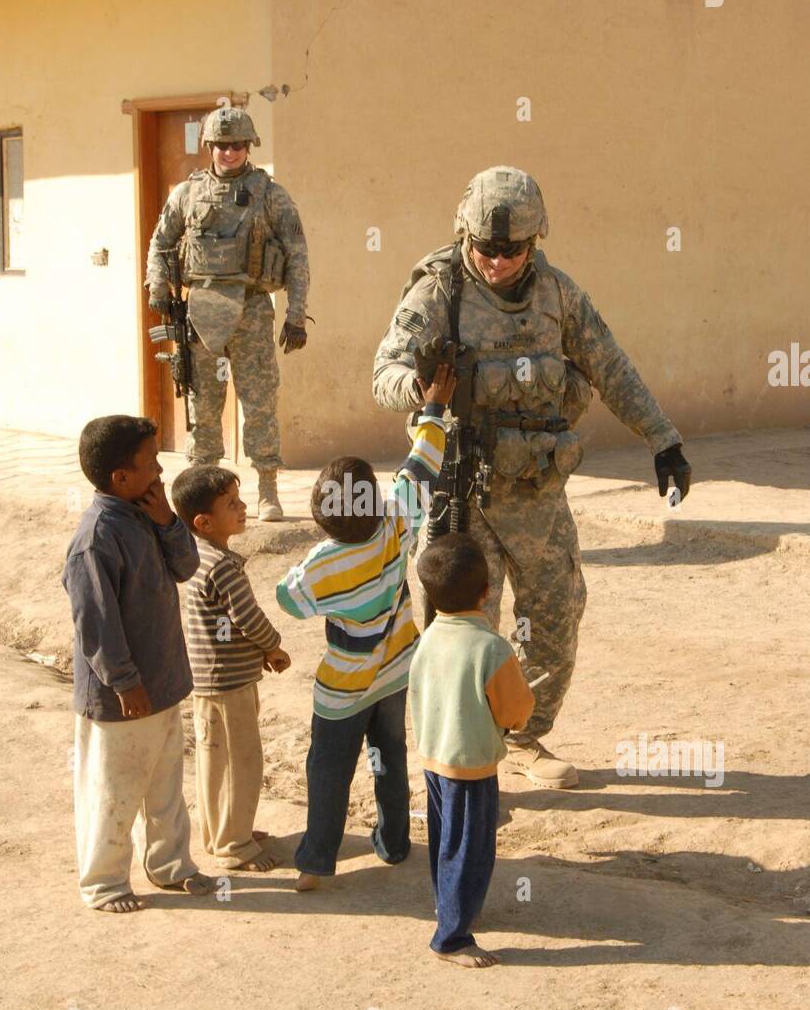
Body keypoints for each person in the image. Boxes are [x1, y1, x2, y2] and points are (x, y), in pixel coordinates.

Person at [373, 166, 692, 789]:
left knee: (558, 611)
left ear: (535, 241)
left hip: (536, 488)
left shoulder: (558, 294)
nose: (495, 261)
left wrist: (663, 439)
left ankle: (524, 736)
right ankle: (460, 761)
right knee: (461, 631)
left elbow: (610, 365)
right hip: (461, 494)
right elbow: (383, 371)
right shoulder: (438, 292)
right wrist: (416, 384)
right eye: (485, 248)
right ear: (465, 234)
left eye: (511, 249)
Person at [275, 363, 456, 891]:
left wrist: (313, 558)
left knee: (328, 772)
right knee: (390, 761)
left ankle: (314, 861)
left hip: (343, 691)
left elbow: (290, 600)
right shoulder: (398, 519)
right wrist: (433, 410)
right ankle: (395, 843)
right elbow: (422, 465)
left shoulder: (322, 566)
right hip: (396, 674)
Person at [62, 415, 213, 912]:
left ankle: (171, 865)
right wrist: (125, 683)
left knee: (165, 783)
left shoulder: (148, 512)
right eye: (150, 464)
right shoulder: (96, 538)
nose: (160, 472)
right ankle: (104, 882)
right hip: (123, 696)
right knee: (114, 789)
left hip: (163, 682)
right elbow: (97, 626)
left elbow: (187, 567)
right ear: (119, 478)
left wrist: (170, 521)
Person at [145, 105, 311, 522]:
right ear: (209, 146)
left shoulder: (271, 195)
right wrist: (159, 286)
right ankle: (204, 492)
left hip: (252, 309)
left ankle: (267, 490)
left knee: (259, 402)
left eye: (237, 144)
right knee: (203, 405)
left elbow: (297, 255)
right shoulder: (187, 193)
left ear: (249, 146)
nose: (229, 152)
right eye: (221, 145)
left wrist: (296, 313)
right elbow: (161, 243)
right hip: (200, 310)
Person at [410, 533, 534, 968]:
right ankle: (452, 938)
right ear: (487, 591)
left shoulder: (427, 638)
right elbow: (517, 711)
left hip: (433, 758)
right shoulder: (492, 649)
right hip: (472, 766)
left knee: (444, 841)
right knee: (471, 848)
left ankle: (448, 907)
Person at [171, 464, 291, 874]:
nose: (242, 509)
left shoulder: (195, 556)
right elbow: (248, 617)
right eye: (232, 504)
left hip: (208, 680)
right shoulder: (223, 565)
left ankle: (220, 833)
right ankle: (235, 845)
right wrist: (273, 647)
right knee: (242, 761)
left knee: (214, 760)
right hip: (230, 681)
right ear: (204, 521)